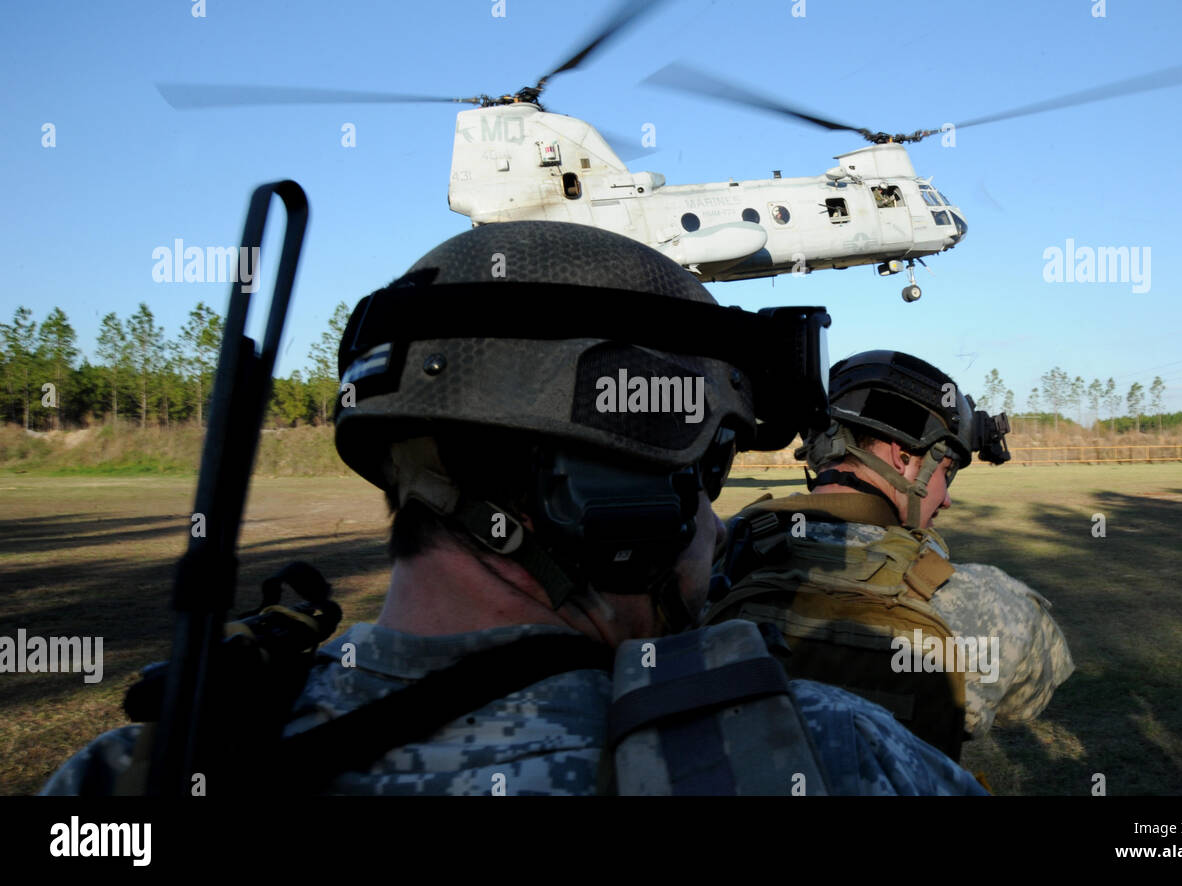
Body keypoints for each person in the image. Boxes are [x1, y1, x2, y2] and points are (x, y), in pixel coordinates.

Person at [41, 224, 985, 796]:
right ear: (608, 501)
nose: (711, 527)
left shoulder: (139, 770)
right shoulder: (824, 754)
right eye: (705, 476)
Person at [707, 349, 1074, 761]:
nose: (947, 499)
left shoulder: (715, 561)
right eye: (947, 470)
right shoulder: (988, 602)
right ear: (903, 456)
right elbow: (1026, 701)